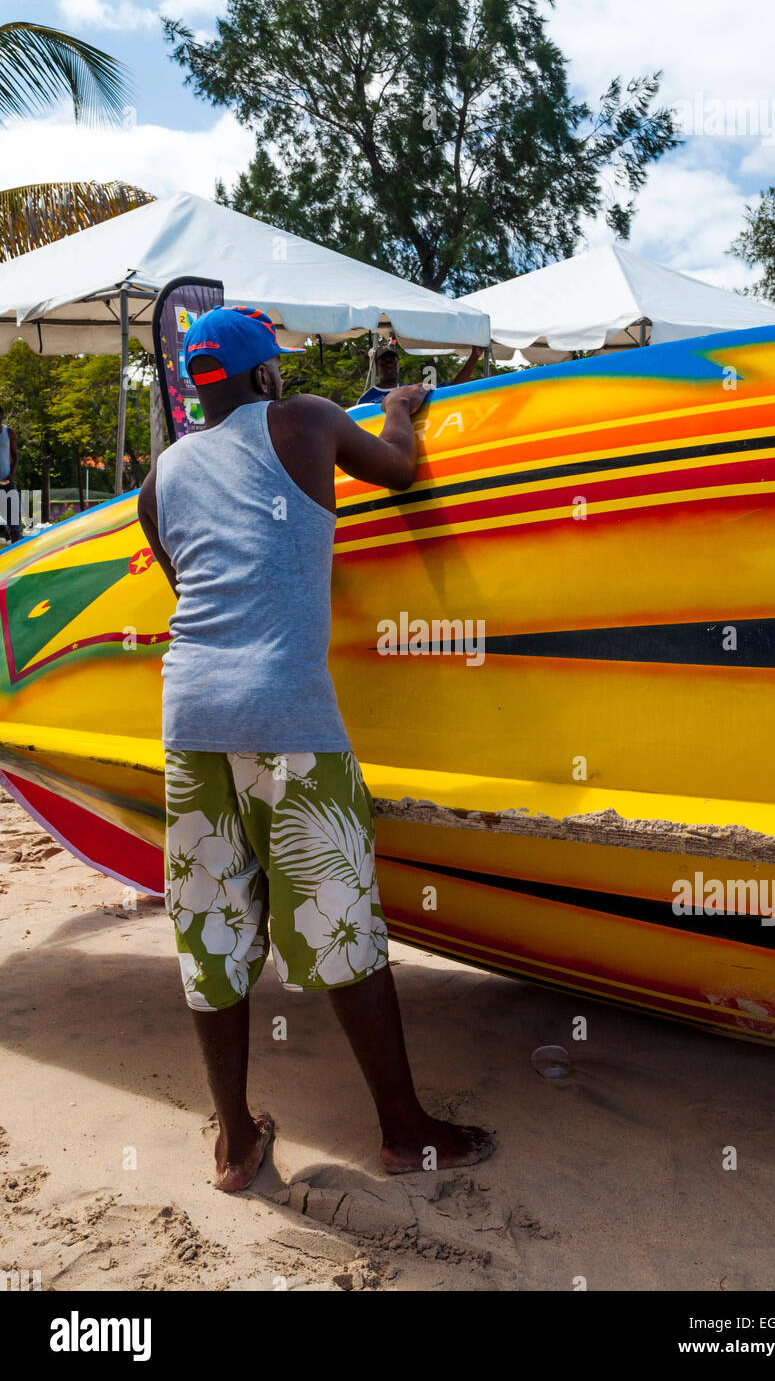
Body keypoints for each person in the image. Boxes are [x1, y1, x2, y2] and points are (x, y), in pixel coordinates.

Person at [137, 305, 495, 1193]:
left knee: (211, 925)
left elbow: (201, 581)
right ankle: (405, 1133)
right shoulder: (307, 419)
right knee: (339, 918)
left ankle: (233, 1144)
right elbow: (400, 472)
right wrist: (402, 405)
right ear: (266, 376)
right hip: (288, 717)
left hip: (189, 717)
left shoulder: (161, 476)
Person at [355, 341, 484, 406]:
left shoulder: (412, 390)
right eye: (384, 362)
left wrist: (474, 356)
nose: (389, 365)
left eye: (392, 362)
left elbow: (453, 387)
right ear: (376, 369)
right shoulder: (366, 400)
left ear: (398, 366)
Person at [0, 407, 21, 544]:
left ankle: (16, 550)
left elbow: (15, 456)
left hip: (7, 482)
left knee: (14, 522)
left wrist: (11, 476)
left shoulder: (8, 432)